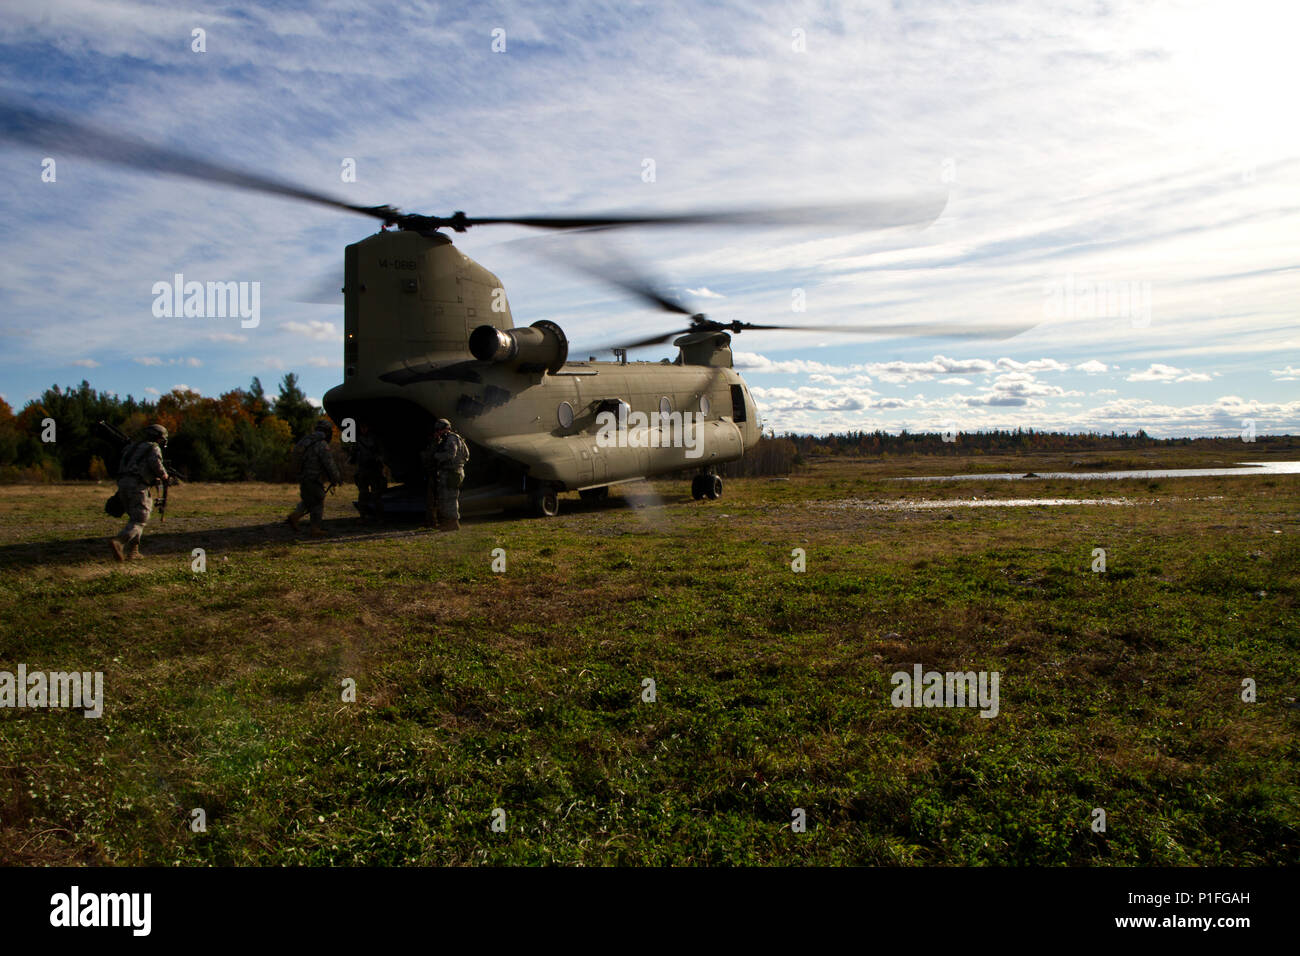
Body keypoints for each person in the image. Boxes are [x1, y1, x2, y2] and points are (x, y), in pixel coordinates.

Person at [110, 423, 172, 561]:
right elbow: (156, 465)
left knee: (134, 517)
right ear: (159, 437)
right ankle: (119, 541)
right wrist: (165, 476)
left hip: (123, 484)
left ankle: (133, 551)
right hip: (137, 486)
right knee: (140, 519)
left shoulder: (131, 447)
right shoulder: (153, 448)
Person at [286, 418, 341, 537]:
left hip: (303, 476)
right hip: (314, 478)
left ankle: (295, 516)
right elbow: (329, 464)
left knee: (308, 499)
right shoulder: (321, 444)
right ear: (327, 431)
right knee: (318, 501)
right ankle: (315, 528)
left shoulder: (305, 441)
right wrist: (336, 478)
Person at [422, 418, 469, 531]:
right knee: (446, 497)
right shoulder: (450, 438)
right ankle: (449, 522)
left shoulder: (451, 439)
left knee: (450, 498)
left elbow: (450, 454)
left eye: (439, 429)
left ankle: (452, 523)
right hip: (451, 471)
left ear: (446, 428)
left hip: (451, 472)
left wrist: (436, 456)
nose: (438, 432)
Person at [348, 421, 387, 522]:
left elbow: (382, 454)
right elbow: (353, 456)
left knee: (376, 494)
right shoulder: (358, 440)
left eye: (365, 427)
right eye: (362, 427)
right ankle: (363, 516)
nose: (363, 429)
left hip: (374, 470)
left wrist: (377, 459)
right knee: (363, 494)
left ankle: (379, 517)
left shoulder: (375, 439)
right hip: (363, 470)